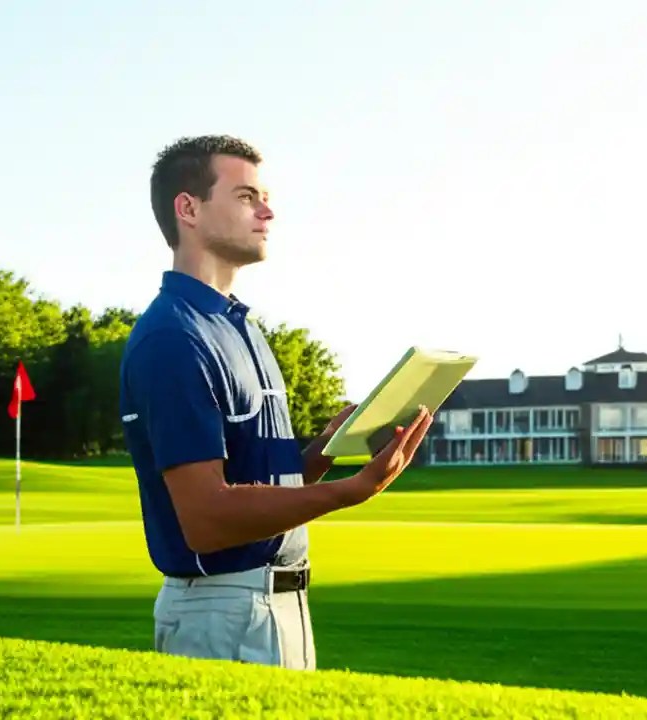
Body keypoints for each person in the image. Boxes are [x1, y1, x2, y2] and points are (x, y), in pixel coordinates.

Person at [118, 134, 432, 670]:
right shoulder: (173, 337)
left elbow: (253, 482)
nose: (267, 211)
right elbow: (208, 518)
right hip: (221, 610)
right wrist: (351, 491)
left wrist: (323, 455)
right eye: (246, 197)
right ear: (188, 208)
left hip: (276, 605)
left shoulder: (238, 326)